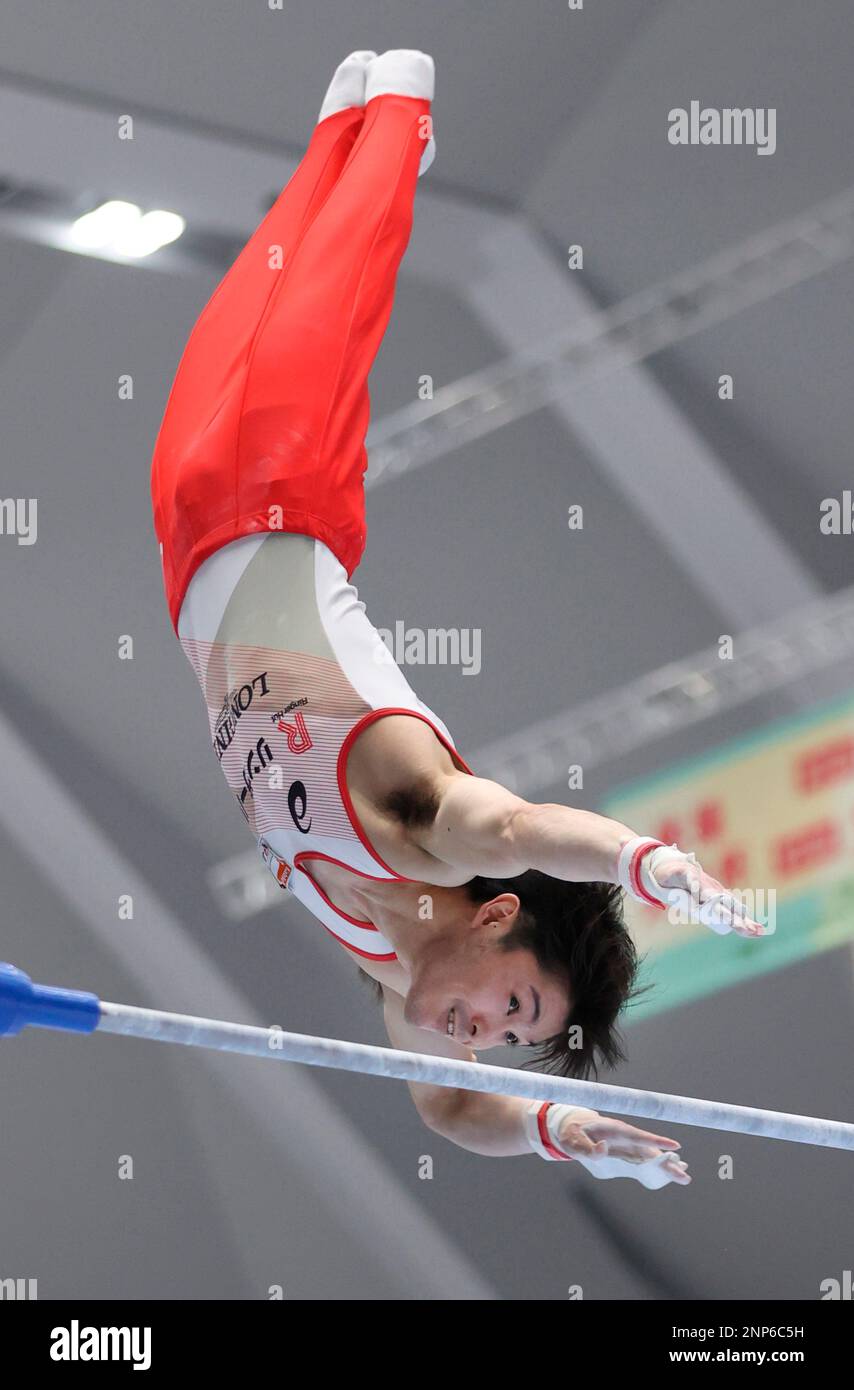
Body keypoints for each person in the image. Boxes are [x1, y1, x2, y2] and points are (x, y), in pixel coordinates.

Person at [151, 50, 764, 1188]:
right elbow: (533, 833)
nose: (489, 1035)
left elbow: (445, 1109)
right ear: (493, 925)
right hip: (282, 502)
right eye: (516, 1006)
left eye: (513, 1039)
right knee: (327, 295)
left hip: (188, 549)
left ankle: (335, 132)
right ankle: (401, 119)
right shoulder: (447, 834)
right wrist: (642, 861)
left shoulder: (390, 963)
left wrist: (558, 1129)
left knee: (247, 300)